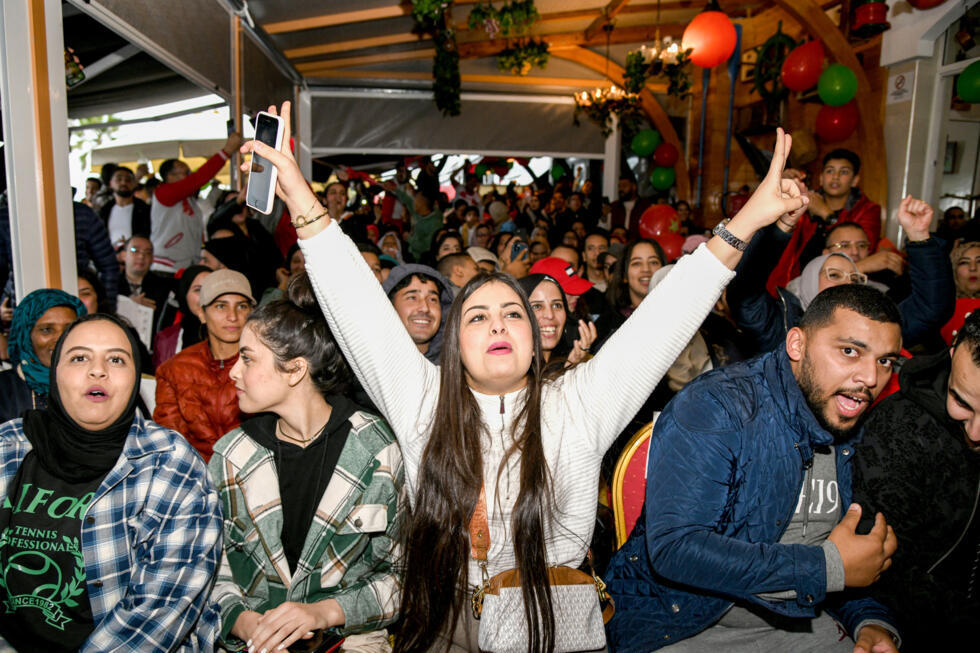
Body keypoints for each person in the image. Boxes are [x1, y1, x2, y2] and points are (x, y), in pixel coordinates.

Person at [241, 101, 807, 652]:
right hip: (441, 620)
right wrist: (297, 193)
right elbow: (357, 305)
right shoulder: (422, 401)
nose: (498, 324)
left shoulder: (578, 404)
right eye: (477, 316)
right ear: (454, 344)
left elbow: (664, 317)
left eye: (514, 313)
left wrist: (750, 220)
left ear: (536, 340)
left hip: (548, 622)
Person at [606, 285, 902, 653]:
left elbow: (850, 558)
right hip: (681, 624)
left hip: (800, 624)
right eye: (849, 351)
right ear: (797, 345)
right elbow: (676, 549)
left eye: (885, 360)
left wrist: (869, 620)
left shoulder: (854, 422)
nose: (870, 378)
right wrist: (824, 569)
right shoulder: (718, 407)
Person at [0, 313, 221, 651]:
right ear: (55, 373)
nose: (97, 370)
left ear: (135, 378)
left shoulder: (169, 463)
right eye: (79, 357)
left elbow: (157, 616)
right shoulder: (7, 447)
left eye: (116, 359)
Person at [211, 274, 403, 653]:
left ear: (296, 370)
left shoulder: (377, 452)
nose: (234, 371)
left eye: (247, 358)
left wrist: (323, 613)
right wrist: (247, 624)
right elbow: (210, 573)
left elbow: (401, 578)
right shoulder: (231, 456)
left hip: (346, 641)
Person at [852, 310, 980, 651]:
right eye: (961, 401)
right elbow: (885, 572)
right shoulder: (901, 428)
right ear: (953, 354)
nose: (976, 432)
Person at [729, 195, 954, 356]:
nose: (847, 283)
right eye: (834, 275)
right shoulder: (782, 323)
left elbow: (930, 308)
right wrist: (781, 227)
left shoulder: (874, 325)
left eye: (855, 279)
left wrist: (919, 236)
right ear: (809, 281)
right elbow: (745, 292)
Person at [154, 269, 254, 461]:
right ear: (201, 313)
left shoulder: (268, 364)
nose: (233, 316)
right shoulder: (175, 370)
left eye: (241, 306)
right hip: (196, 477)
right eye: (220, 306)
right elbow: (170, 443)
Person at [768, 150, 882, 293]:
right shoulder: (806, 200)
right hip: (796, 282)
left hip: (841, 285)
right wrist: (780, 189)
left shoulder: (868, 210)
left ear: (855, 180)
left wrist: (827, 214)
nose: (835, 177)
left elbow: (859, 253)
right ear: (821, 178)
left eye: (844, 172)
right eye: (830, 171)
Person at [150, 132, 243, 273]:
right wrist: (226, 151)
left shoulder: (190, 199)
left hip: (185, 265)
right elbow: (197, 179)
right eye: (185, 172)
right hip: (165, 267)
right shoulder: (163, 193)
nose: (189, 175)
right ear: (170, 176)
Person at [0, 290, 85, 423]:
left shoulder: (95, 382)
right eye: (47, 330)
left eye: (69, 329)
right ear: (26, 338)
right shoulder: (4, 390)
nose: (60, 338)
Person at [518, 274, 596, 368]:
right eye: (537, 306)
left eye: (557, 305)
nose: (550, 315)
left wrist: (572, 366)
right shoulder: (509, 370)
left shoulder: (570, 358)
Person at [595, 239, 665, 343]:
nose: (646, 269)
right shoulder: (606, 324)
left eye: (653, 262)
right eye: (637, 263)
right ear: (624, 275)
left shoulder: (680, 316)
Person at [381, 264, 453, 363]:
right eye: (412, 298)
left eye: (432, 299)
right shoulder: (368, 363)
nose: (425, 308)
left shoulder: (457, 365)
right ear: (390, 306)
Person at [152, 265, 211, 368]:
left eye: (211, 289)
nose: (205, 296)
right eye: (198, 290)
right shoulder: (166, 338)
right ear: (184, 293)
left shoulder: (230, 336)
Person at [119, 235, 174, 335]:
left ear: (152, 259)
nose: (141, 256)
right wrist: (128, 304)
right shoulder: (108, 285)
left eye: (148, 253)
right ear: (123, 255)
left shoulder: (166, 286)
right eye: (135, 250)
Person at [98, 166, 151, 249]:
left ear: (134, 184)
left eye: (128, 180)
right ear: (111, 183)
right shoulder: (104, 210)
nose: (123, 183)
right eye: (119, 179)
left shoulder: (145, 210)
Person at [610, 172, 651, 239]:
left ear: (634, 187)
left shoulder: (645, 206)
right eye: (619, 186)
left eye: (624, 186)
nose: (621, 189)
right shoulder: (614, 206)